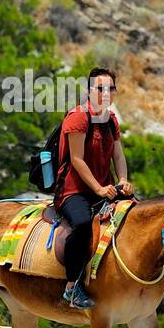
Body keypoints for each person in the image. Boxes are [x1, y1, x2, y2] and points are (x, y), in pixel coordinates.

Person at [54, 67, 132, 310]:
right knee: (83, 224)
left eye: (110, 88)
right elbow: (76, 160)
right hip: (73, 191)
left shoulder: (111, 120)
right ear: (89, 91)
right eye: (100, 88)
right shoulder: (78, 117)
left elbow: (118, 155)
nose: (105, 93)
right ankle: (72, 288)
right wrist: (99, 189)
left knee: (138, 216)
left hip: (104, 188)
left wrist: (123, 180)